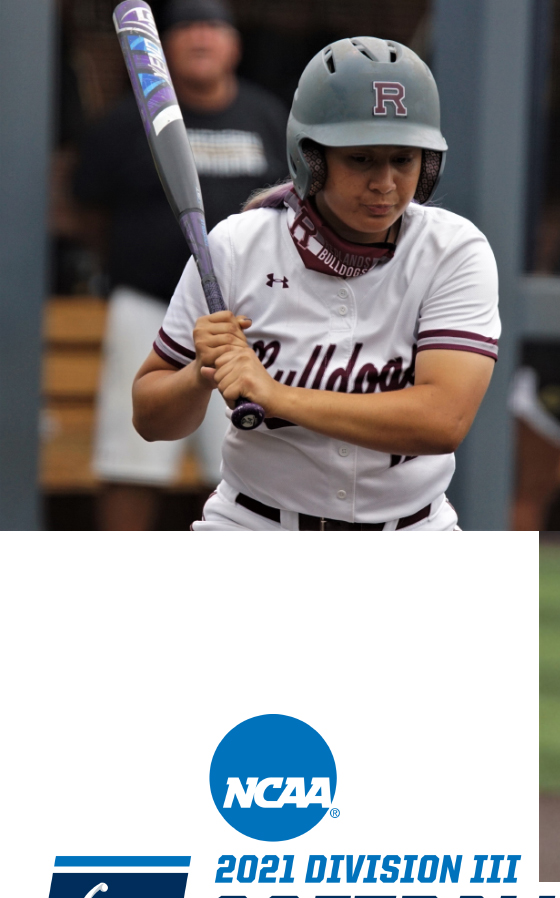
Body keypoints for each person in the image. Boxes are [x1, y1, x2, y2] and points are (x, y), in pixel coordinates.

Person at [129, 36, 496, 530]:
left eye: (404, 159)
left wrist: (274, 394)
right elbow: (150, 420)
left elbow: (443, 421)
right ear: (311, 158)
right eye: (361, 158)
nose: (385, 183)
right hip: (253, 526)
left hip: (413, 530)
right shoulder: (238, 245)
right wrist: (200, 374)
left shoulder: (452, 249)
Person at [72, 0, 285, 529]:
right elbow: (88, 209)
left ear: (235, 45)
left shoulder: (266, 117)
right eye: (186, 27)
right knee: (132, 464)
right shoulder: (124, 123)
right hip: (148, 304)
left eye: (212, 27)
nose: (200, 38)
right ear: (162, 48)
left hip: (238, 317)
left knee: (234, 467)